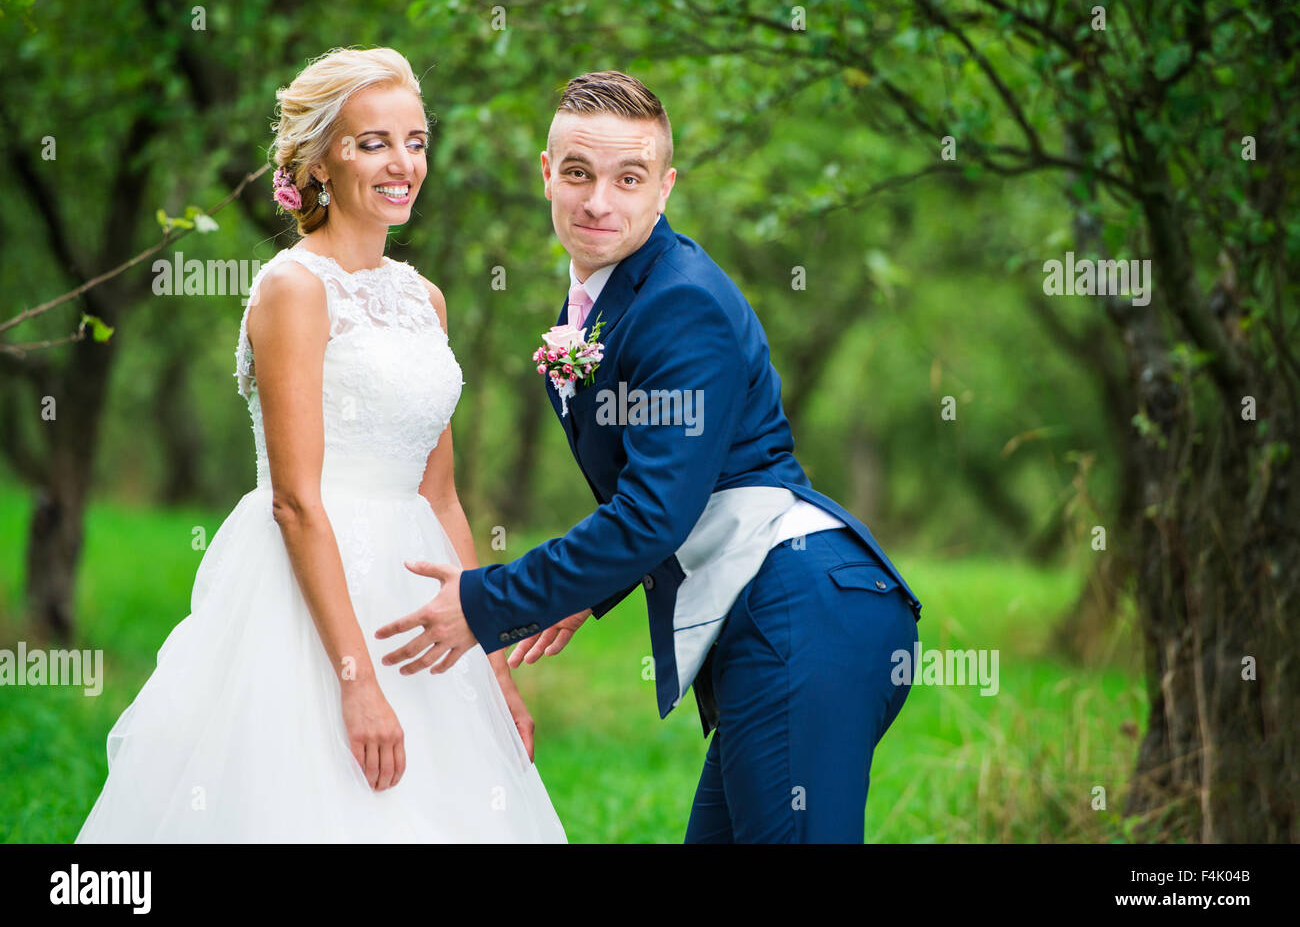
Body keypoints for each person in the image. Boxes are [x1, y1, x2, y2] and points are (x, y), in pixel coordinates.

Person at [382, 70, 922, 843]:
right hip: (774, 612)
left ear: (663, 188)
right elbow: (667, 487)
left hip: (808, 610)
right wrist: (585, 586)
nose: (599, 200)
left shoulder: (682, 304)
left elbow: (652, 513)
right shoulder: (601, 301)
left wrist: (483, 602)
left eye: (628, 178)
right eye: (578, 173)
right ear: (546, 174)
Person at [76, 47, 566, 843]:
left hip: (420, 604)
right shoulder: (292, 289)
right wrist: (356, 681)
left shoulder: (424, 300)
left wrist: (494, 671)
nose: (402, 162)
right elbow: (296, 500)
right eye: (372, 142)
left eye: (415, 140)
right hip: (310, 598)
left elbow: (440, 496)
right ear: (320, 161)